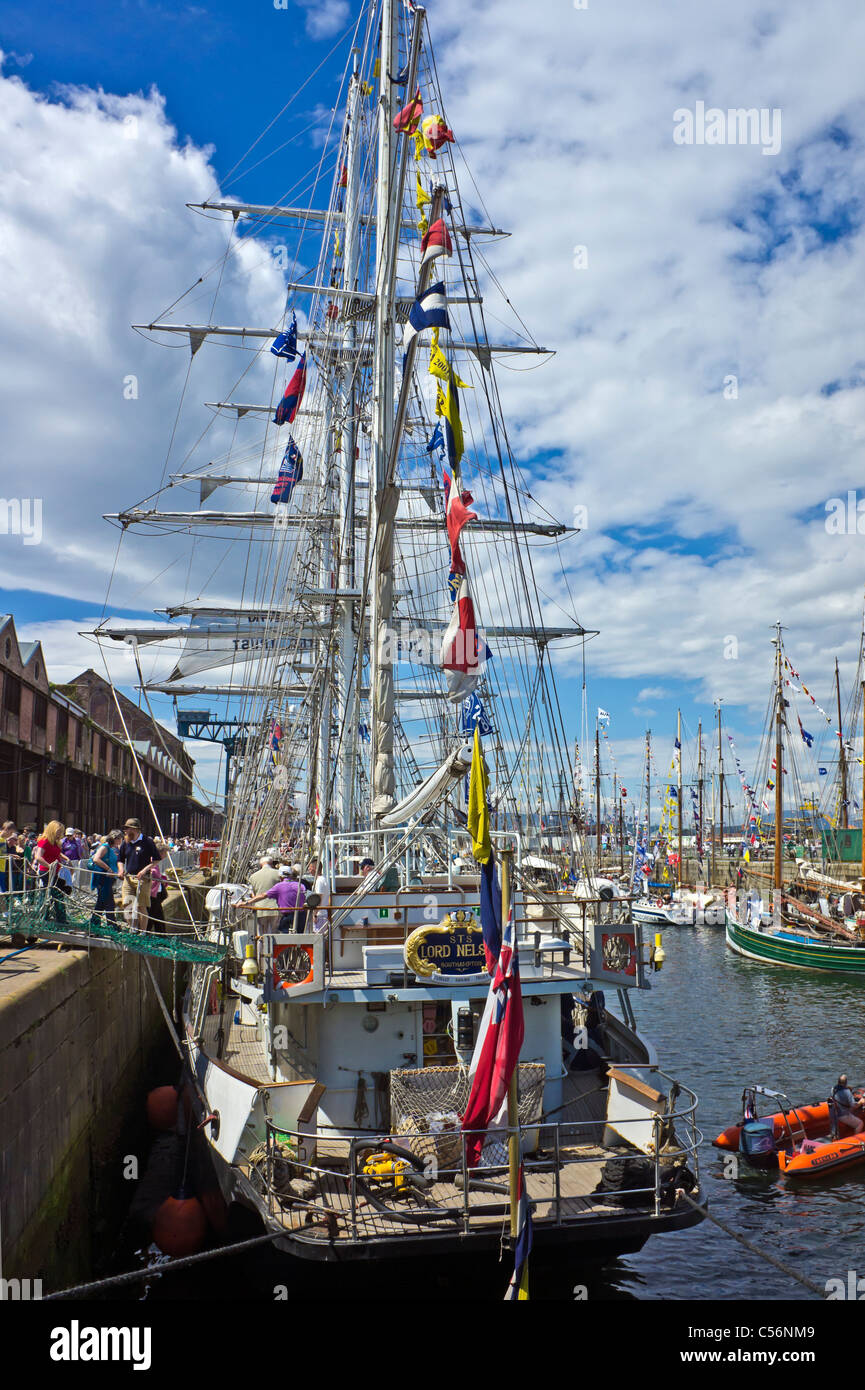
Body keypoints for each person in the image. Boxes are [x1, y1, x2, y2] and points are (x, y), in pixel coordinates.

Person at [117, 818, 161, 928]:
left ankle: (143, 932)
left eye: (127, 829)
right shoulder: (125, 843)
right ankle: (132, 928)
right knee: (127, 904)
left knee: (141, 906)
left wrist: (144, 870)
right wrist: (121, 870)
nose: (125, 831)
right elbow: (120, 859)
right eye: (125, 828)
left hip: (143, 879)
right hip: (128, 878)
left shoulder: (147, 842)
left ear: (135, 830)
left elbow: (156, 859)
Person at [244, 865, 306, 933]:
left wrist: (246, 902)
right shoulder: (301, 885)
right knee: (300, 937)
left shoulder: (278, 886)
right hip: (301, 915)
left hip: (286, 916)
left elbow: (263, 896)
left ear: (280, 877)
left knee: (284, 938)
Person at [33, 820, 73, 924]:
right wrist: (49, 866)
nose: (60, 834)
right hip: (46, 872)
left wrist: (66, 859)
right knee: (49, 894)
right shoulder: (44, 841)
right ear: (52, 830)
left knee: (58, 894)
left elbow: (57, 854)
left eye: (61, 832)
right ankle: (42, 917)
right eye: (58, 831)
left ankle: (60, 919)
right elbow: (38, 857)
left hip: (56, 872)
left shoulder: (55, 842)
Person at [90, 830, 121, 925]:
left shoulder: (110, 848)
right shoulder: (105, 847)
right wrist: (108, 869)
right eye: (120, 839)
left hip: (107, 879)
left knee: (101, 902)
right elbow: (96, 859)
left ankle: (94, 923)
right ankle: (112, 925)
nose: (121, 841)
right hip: (103, 878)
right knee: (109, 903)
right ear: (116, 839)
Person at [307, 858, 330, 934]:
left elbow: (318, 899)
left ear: (315, 868)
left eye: (310, 867)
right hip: (322, 914)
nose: (309, 869)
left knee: (317, 938)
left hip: (320, 915)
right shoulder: (323, 879)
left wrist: (315, 915)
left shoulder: (319, 881)